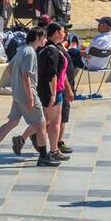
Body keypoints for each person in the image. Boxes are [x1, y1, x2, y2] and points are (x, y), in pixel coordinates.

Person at [0, 27, 57, 167]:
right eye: (44, 37)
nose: (45, 40)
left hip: (18, 94)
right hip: (27, 94)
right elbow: (26, 76)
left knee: (12, 122)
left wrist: (16, 84)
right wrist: (30, 97)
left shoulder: (21, 50)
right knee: (41, 124)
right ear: (37, 37)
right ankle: (43, 157)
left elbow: (9, 68)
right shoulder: (30, 53)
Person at [36, 22, 71, 163]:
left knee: (46, 122)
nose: (64, 34)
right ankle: (52, 151)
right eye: (62, 31)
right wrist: (54, 94)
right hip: (51, 91)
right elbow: (52, 74)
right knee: (52, 122)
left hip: (50, 90)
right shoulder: (52, 50)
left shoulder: (49, 49)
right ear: (56, 32)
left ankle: (51, 150)